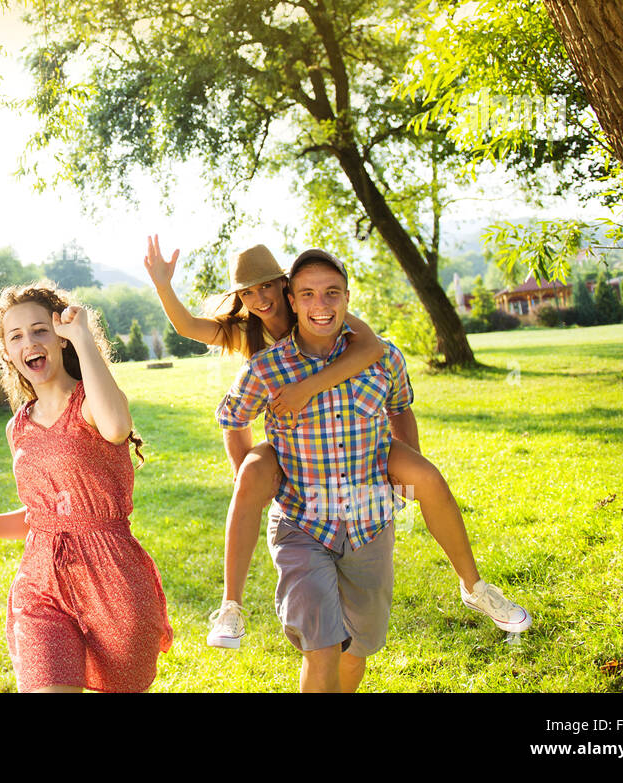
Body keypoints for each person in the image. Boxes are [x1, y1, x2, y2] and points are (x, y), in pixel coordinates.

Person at [147, 236, 529, 648]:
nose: (260, 298)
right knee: (251, 476)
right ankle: (231, 607)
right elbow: (196, 345)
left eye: (267, 286)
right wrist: (163, 284)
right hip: (293, 443)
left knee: (427, 477)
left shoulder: (326, 313)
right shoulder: (246, 334)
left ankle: (474, 587)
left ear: (283, 285)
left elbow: (374, 349)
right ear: (244, 296)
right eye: (249, 291)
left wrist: (309, 388)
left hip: (356, 435)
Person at [0, 283, 172, 693]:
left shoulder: (90, 402)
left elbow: (118, 427)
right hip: (42, 583)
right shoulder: (19, 427)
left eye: (39, 330)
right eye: (16, 336)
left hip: (113, 579)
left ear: (60, 338)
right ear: (7, 352)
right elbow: (42, 519)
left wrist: (83, 337)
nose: (29, 342)